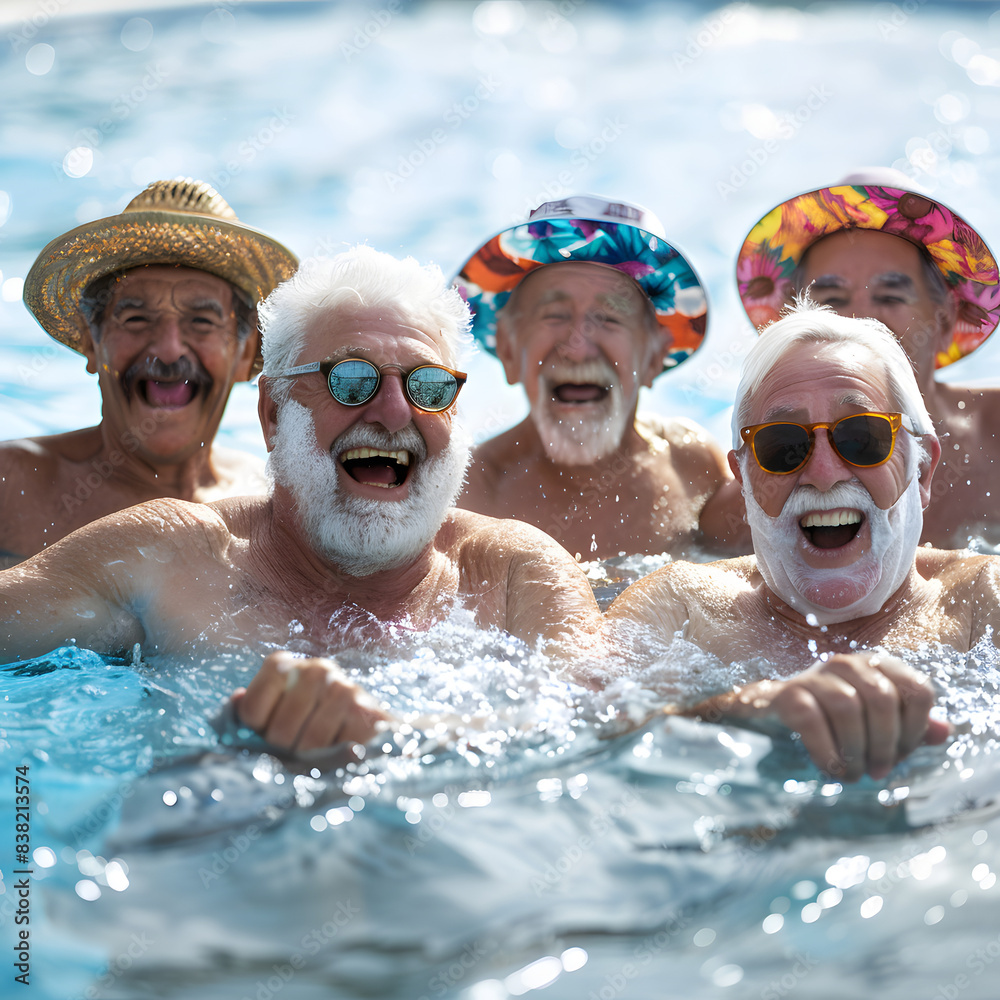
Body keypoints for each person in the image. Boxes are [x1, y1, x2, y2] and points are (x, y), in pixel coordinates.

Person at [0, 247, 605, 754]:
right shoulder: (168, 557)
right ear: (271, 414)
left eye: (427, 386)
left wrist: (390, 739)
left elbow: (602, 727)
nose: (395, 413)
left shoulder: (512, 574)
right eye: (350, 378)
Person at [609, 303, 1000, 782]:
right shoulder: (682, 606)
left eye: (863, 436)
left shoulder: (985, 601)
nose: (823, 473)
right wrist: (743, 711)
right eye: (782, 446)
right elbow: (581, 735)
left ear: (922, 470)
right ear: (745, 481)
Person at [1, 177, 299, 567]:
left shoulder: (274, 509)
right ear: (91, 343)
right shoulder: (14, 488)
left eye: (202, 321)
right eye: (137, 318)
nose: (169, 349)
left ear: (246, 354)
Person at [707, 168, 1000, 549]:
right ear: (792, 326)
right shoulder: (743, 517)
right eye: (830, 302)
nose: (860, 321)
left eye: (890, 297)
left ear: (944, 318)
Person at [453, 195, 731, 561]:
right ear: (508, 350)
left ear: (654, 357)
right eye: (554, 315)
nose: (578, 346)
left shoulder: (692, 466)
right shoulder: (469, 496)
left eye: (611, 318)